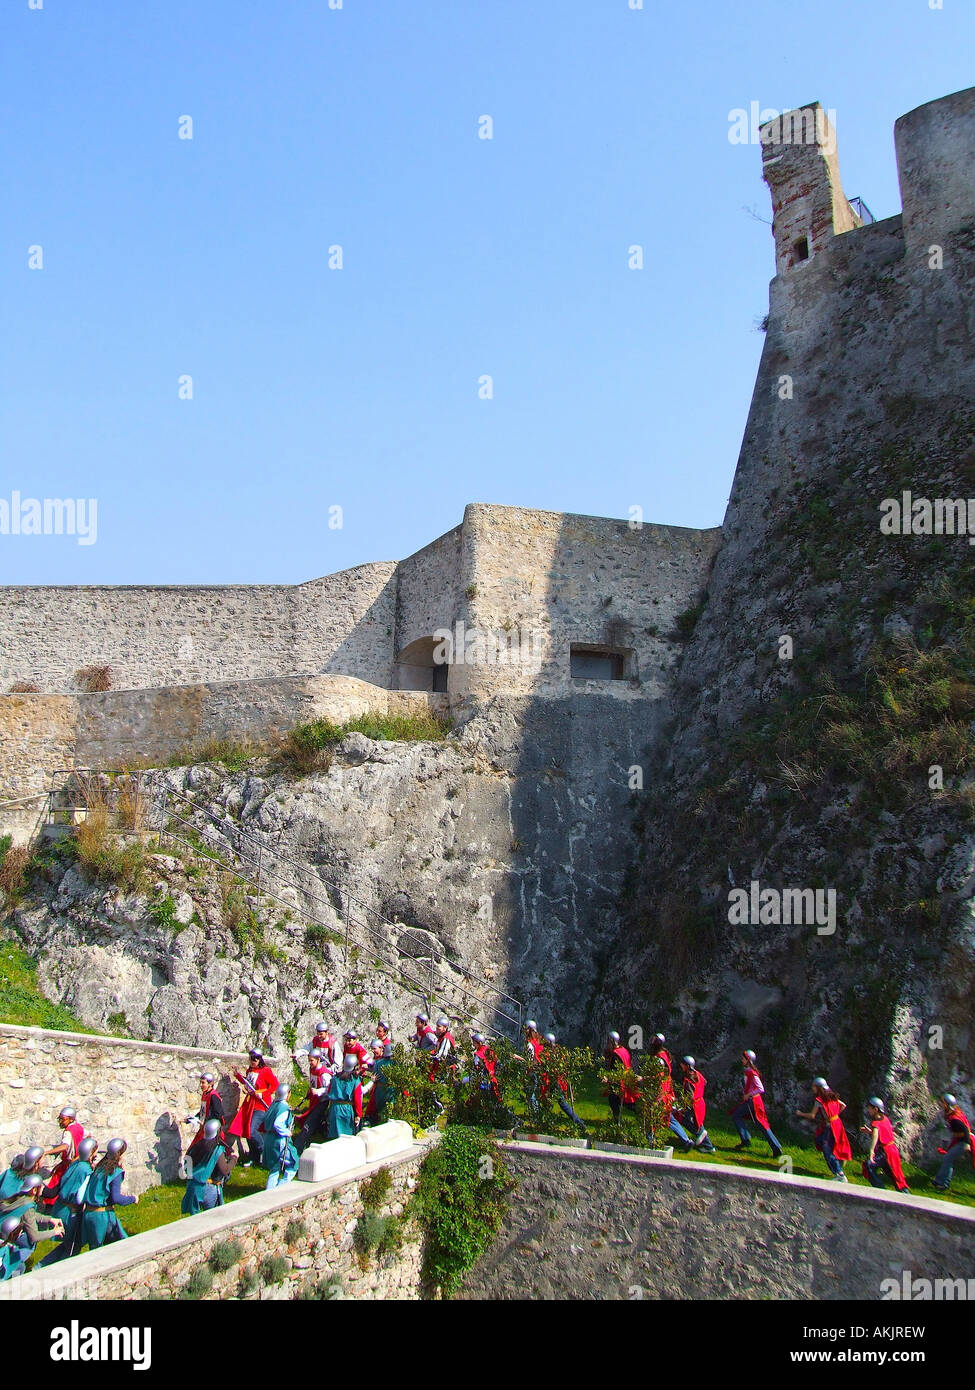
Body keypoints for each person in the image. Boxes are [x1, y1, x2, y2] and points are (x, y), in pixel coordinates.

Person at [38, 1138, 99, 1266]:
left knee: (68, 1243)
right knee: (72, 1247)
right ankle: (59, 1271)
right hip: (70, 1211)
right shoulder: (85, 1170)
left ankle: (41, 1266)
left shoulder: (74, 1164)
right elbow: (79, 1197)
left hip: (60, 1206)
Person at [76, 1138, 137, 1250]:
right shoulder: (115, 1171)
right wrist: (133, 1199)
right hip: (102, 1216)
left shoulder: (99, 1167)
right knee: (123, 1248)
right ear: (120, 1154)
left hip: (89, 1214)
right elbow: (116, 1198)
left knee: (98, 1249)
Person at [229, 1049, 278, 1166]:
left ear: (259, 1059)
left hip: (261, 1105)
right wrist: (238, 1076)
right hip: (250, 1104)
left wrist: (263, 1093)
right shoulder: (250, 1070)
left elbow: (275, 1085)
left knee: (251, 1130)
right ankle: (253, 1156)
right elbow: (249, 1084)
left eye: (254, 1059)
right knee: (246, 1131)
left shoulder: (266, 1071)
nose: (252, 1061)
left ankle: (263, 1150)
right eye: (250, 1059)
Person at [732, 1050, 784, 1159]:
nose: (742, 1060)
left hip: (754, 1102)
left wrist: (748, 1095)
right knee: (737, 1115)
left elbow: (761, 1089)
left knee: (761, 1124)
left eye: (743, 1058)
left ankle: (776, 1147)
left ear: (748, 1060)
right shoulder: (749, 1071)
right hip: (751, 1101)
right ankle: (746, 1139)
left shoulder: (752, 1073)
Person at [797, 1078, 851, 1181]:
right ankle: (837, 1167)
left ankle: (840, 1174)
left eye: (814, 1087)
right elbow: (843, 1105)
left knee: (827, 1149)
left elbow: (812, 1115)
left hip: (830, 1126)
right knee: (820, 1140)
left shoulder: (819, 1100)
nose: (812, 1088)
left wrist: (800, 1114)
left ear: (818, 1088)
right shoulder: (832, 1096)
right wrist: (834, 1115)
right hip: (837, 1123)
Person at [181, 1120, 237, 1214]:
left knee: (195, 1220)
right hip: (209, 1188)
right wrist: (234, 1159)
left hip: (193, 1187)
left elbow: (187, 1165)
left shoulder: (196, 1146)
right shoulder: (217, 1150)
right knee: (213, 1218)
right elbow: (225, 1170)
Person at [0, 1173, 64, 1250]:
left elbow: (28, 1215)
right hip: (5, 1242)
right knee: (29, 1244)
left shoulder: (19, 1198)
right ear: (34, 1190)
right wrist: (55, 1232)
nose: (43, 1188)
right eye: (42, 1186)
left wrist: (49, 1219)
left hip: (2, 1234)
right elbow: (34, 1237)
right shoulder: (27, 1205)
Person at [540, 1032, 587, 1134]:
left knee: (562, 1104)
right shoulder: (557, 1053)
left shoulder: (548, 1054)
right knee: (547, 1103)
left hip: (553, 1083)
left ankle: (579, 1123)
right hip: (556, 1082)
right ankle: (544, 1122)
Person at [40, 1105, 86, 1207]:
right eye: (59, 1119)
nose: (60, 1121)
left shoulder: (68, 1132)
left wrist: (47, 1152)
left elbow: (65, 1146)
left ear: (70, 1119)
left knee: (53, 1190)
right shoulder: (79, 1127)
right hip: (77, 1163)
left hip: (69, 1165)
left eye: (63, 1119)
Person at [860, 1098, 909, 1193]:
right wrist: (870, 1131)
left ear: (876, 1109)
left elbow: (876, 1135)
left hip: (886, 1153)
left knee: (868, 1166)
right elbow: (882, 1133)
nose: (868, 1110)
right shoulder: (885, 1119)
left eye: (869, 1108)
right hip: (891, 1151)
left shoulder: (876, 1121)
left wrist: (871, 1151)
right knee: (896, 1177)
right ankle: (906, 1196)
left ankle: (881, 1192)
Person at [255, 1084, 299, 1190]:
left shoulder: (273, 1104)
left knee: (274, 1168)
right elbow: (278, 1124)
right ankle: (281, 1187)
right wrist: (287, 1132)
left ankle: (269, 1191)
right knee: (293, 1163)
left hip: (269, 1138)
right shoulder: (283, 1108)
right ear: (287, 1094)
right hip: (279, 1140)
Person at [294, 1048, 334, 1153]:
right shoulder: (312, 1069)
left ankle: (300, 1146)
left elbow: (329, 1088)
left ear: (318, 1060)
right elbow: (312, 1082)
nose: (310, 1063)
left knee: (309, 1122)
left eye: (312, 1060)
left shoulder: (324, 1073)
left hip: (321, 1101)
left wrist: (318, 1091)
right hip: (313, 1100)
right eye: (309, 1060)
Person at [933, 1093, 975, 1192]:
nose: (942, 1105)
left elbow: (965, 1130)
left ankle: (942, 1182)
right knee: (948, 1158)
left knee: (947, 1158)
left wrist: (967, 1144)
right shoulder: (955, 1113)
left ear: (948, 1104)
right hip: (962, 1140)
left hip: (964, 1142)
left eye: (943, 1103)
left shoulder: (954, 1119)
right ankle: (941, 1181)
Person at [677, 1057, 716, 1153]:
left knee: (685, 1120)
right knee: (698, 1124)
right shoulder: (697, 1074)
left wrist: (681, 1106)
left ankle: (700, 1135)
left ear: (686, 1065)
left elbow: (689, 1096)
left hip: (694, 1105)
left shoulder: (688, 1080)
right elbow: (705, 1082)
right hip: (700, 1102)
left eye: (682, 1064)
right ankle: (709, 1147)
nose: (681, 1066)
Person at [603, 1030, 640, 1121]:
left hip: (620, 1081)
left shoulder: (616, 1054)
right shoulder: (623, 1050)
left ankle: (617, 1121)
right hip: (627, 1077)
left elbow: (616, 1070)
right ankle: (618, 1120)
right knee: (624, 1100)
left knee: (617, 1100)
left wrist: (608, 1079)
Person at [184, 1074, 225, 1146]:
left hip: (211, 1132)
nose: (201, 1085)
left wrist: (207, 1120)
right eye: (200, 1082)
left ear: (210, 1083)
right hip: (203, 1129)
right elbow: (203, 1111)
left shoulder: (213, 1096)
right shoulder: (205, 1094)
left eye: (203, 1083)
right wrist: (191, 1119)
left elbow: (219, 1113)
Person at [326, 1058, 363, 1138]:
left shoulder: (335, 1078)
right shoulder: (355, 1081)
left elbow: (329, 1092)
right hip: (347, 1110)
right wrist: (358, 1115)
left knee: (335, 1137)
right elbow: (357, 1099)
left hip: (334, 1109)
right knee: (347, 1137)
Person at [363, 1039, 393, 1126]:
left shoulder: (379, 1062)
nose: (373, 1051)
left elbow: (375, 1075)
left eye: (374, 1048)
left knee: (377, 1107)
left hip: (380, 1088)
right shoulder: (394, 1063)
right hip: (386, 1088)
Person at [0, 1215, 29, 1281]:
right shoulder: (3, 1251)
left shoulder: (5, 1246)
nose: (21, 1233)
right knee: (20, 1266)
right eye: (20, 1231)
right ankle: (14, 1286)